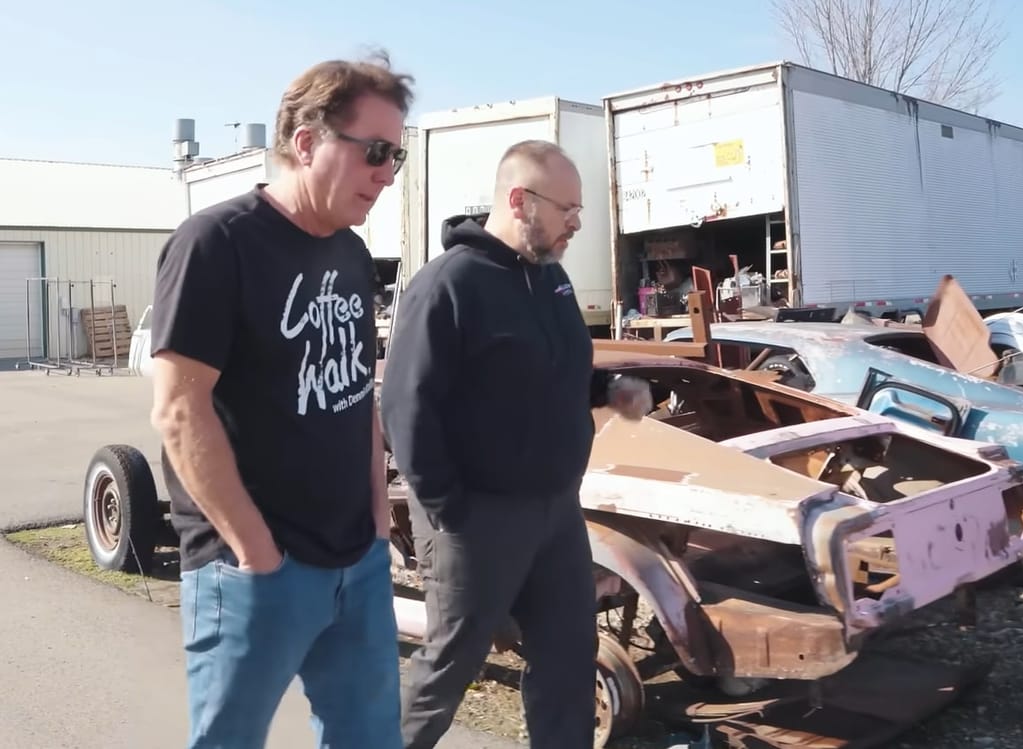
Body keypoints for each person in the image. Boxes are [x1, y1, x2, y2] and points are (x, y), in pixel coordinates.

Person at [148, 52, 414, 749]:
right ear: (307, 142)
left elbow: (358, 391)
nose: (388, 172)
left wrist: (379, 518)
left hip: (355, 560)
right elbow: (179, 409)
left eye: (398, 155)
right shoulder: (215, 244)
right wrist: (255, 548)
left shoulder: (352, 255)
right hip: (254, 570)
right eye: (376, 151)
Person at [380, 139, 653, 749]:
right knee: (450, 668)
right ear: (519, 201)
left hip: (555, 514)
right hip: (476, 519)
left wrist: (608, 389)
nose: (577, 223)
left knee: (566, 661)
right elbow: (405, 406)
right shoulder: (449, 285)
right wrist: (451, 511)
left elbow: (549, 373)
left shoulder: (550, 282)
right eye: (567, 209)